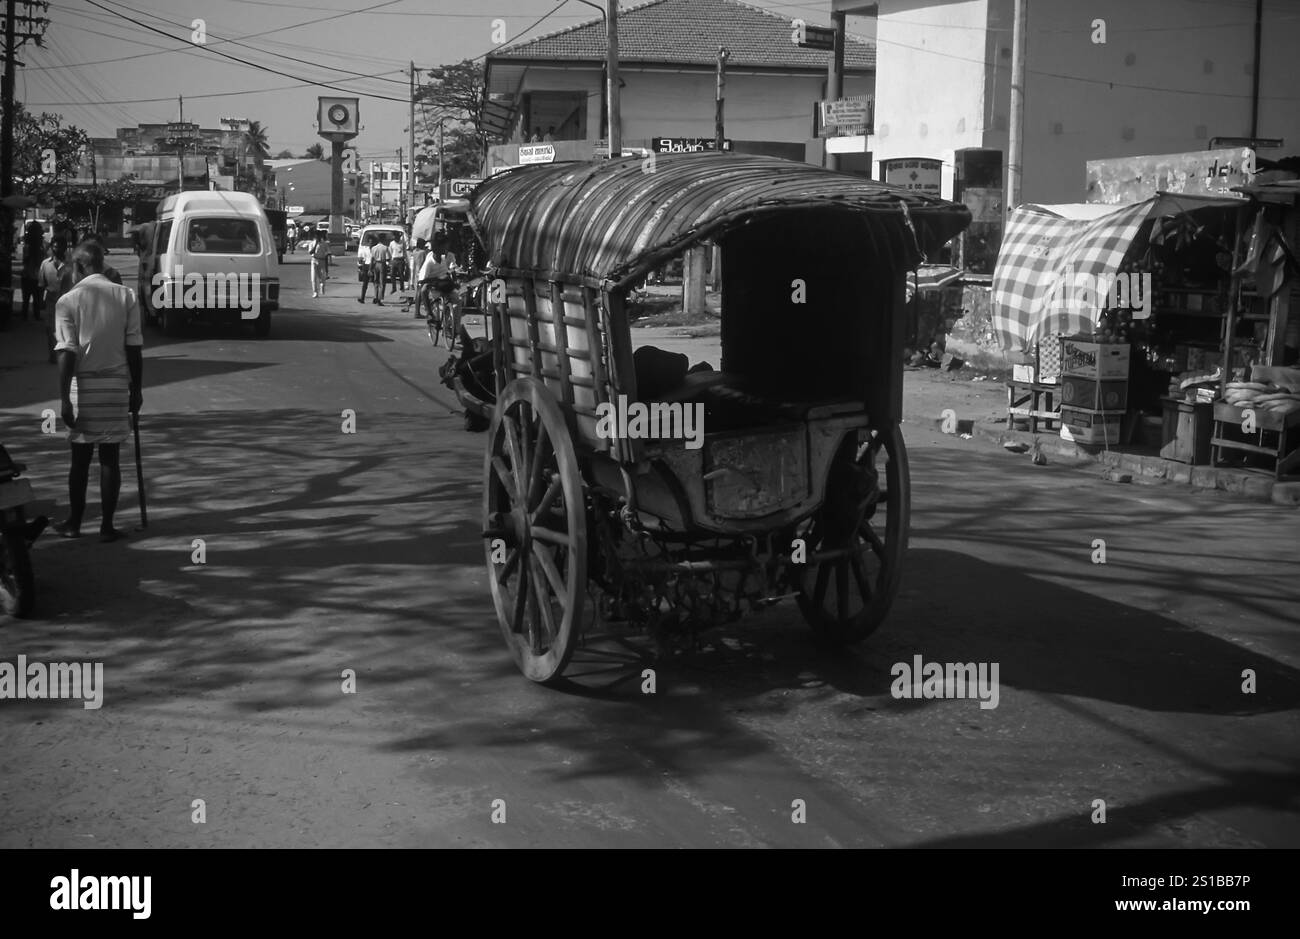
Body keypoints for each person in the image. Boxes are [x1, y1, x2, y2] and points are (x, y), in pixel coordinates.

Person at [52, 239, 143, 543]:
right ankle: (106, 527)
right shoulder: (126, 295)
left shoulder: (68, 301)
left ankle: (74, 524)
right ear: (102, 263)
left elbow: (66, 352)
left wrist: (64, 397)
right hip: (117, 385)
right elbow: (134, 347)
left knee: (80, 460)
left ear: (78, 266)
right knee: (110, 458)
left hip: (84, 386)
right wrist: (137, 390)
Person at [38, 237, 73, 364]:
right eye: (55, 246)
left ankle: (66, 354)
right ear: (51, 247)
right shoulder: (45, 264)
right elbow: (41, 285)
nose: (57, 249)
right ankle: (52, 355)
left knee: (67, 328)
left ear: (65, 248)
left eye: (60, 247)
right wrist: (40, 302)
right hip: (51, 299)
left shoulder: (72, 264)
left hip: (68, 299)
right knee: (50, 328)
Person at [20, 221, 45, 320]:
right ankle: (35, 315)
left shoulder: (28, 245)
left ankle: (25, 315)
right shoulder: (38, 247)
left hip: (28, 275)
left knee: (27, 298)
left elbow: (25, 261)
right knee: (36, 298)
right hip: (34, 275)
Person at [408, 237, 430, 318]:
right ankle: (418, 312)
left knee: (418, 292)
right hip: (421, 273)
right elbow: (425, 263)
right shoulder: (422, 252)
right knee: (421, 293)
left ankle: (418, 311)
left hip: (416, 273)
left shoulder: (414, 252)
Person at [369, 234, 391, 305]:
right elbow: (388, 258)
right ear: (384, 239)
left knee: (376, 281)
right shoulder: (385, 248)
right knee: (382, 282)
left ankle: (376, 296)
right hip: (382, 264)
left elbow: (372, 259)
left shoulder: (374, 248)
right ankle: (379, 299)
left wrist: (370, 268)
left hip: (375, 264)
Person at [309, 231, 331, 298]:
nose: (317, 238)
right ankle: (315, 292)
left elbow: (328, 252)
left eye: (318, 236)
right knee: (313, 278)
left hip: (322, 261)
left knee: (322, 277)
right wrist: (315, 245)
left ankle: (322, 285)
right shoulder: (312, 243)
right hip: (314, 260)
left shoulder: (324, 244)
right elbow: (310, 252)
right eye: (316, 236)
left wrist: (326, 255)